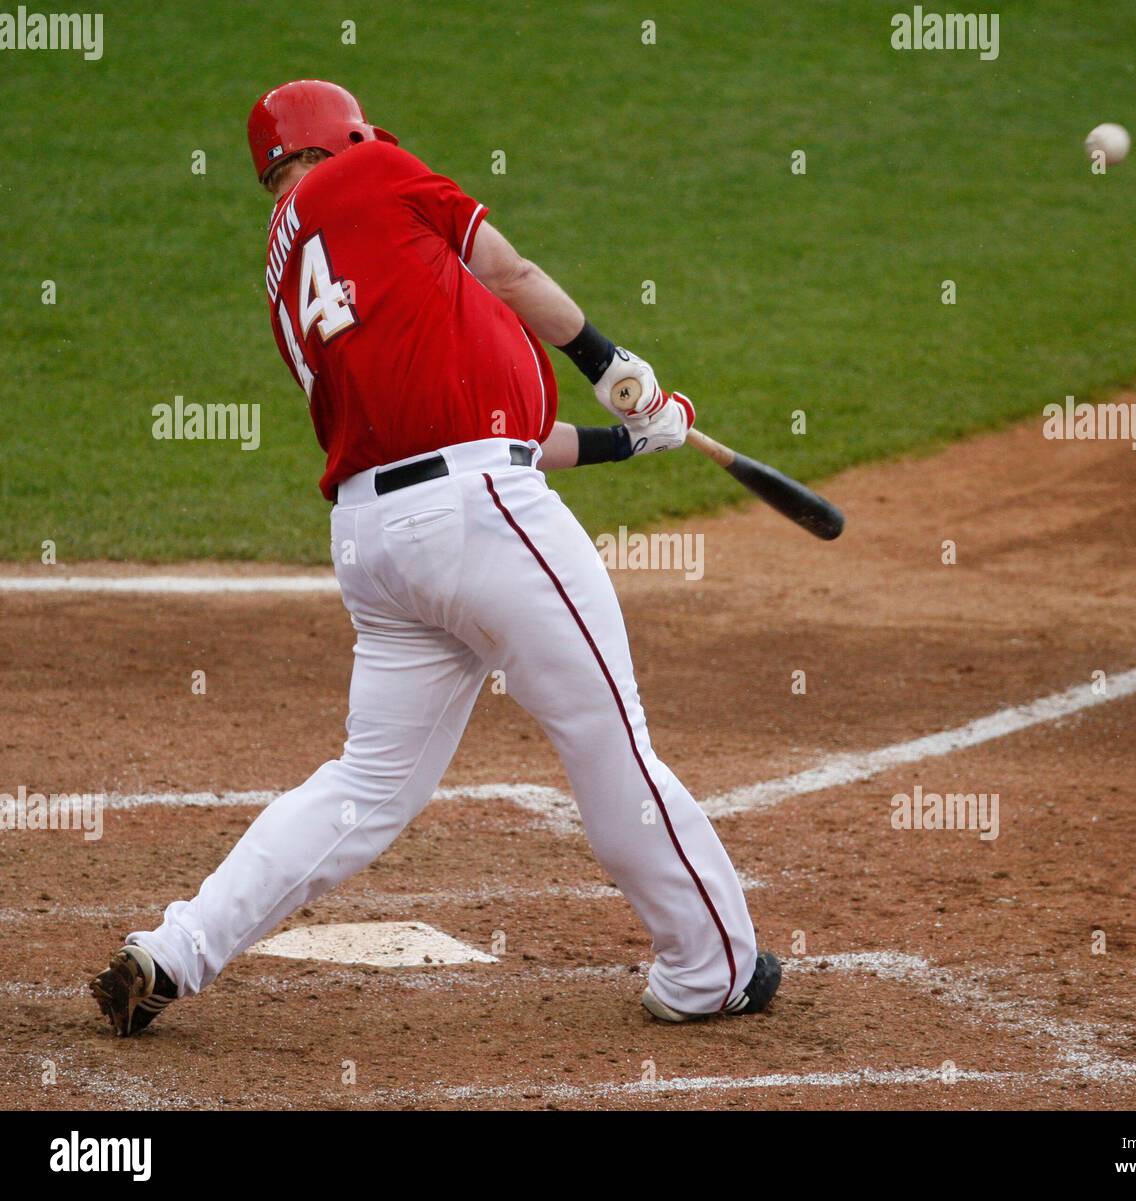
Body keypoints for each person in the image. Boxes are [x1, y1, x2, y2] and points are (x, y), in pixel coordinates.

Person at [90, 79, 779, 1037]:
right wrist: (618, 369)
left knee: (362, 787)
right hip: (479, 518)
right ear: (352, 137)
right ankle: (713, 968)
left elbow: (500, 433)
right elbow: (513, 271)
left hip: (382, 547)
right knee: (609, 737)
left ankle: (174, 947)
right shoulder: (376, 172)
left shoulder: (292, 270)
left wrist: (635, 439)